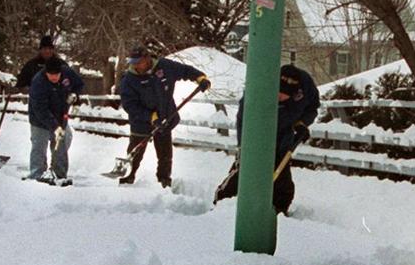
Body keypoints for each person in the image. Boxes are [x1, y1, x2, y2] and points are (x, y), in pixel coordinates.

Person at [214, 63, 319, 214]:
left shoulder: (306, 86)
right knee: (245, 173)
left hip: (284, 137)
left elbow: (313, 108)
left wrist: (302, 123)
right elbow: (243, 120)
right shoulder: (259, 88)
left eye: (283, 95)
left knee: (282, 182)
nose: (279, 97)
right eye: (277, 93)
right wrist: (243, 146)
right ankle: (222, 204)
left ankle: (278, 213)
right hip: (257, 135)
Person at [117, 45, 210, 187]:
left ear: (147, 58)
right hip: (141, 121)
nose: (136, 66)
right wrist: (151, 117)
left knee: (165, 153)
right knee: (136, 151)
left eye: (139, 62)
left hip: (165, 116)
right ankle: (128, 176)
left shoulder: (165, 66)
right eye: (133, 63)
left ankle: (164, 180)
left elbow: (185, 70)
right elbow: (130, 106)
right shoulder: (129, 80)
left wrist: (200, 78)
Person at [27, 56, 84, 185]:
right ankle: (37, 175)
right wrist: (55, 127)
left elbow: (79, 84)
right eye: (50, 75)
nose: (53, 77)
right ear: (45, 72)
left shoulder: (67, 73)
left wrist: (74, 95)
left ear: (61, 72)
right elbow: (40, 110)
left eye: (56, 75)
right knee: (39, 146)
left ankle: (60, 174)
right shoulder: (38, 83)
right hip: (39, 120)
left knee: (61, 144)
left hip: (60, 114)